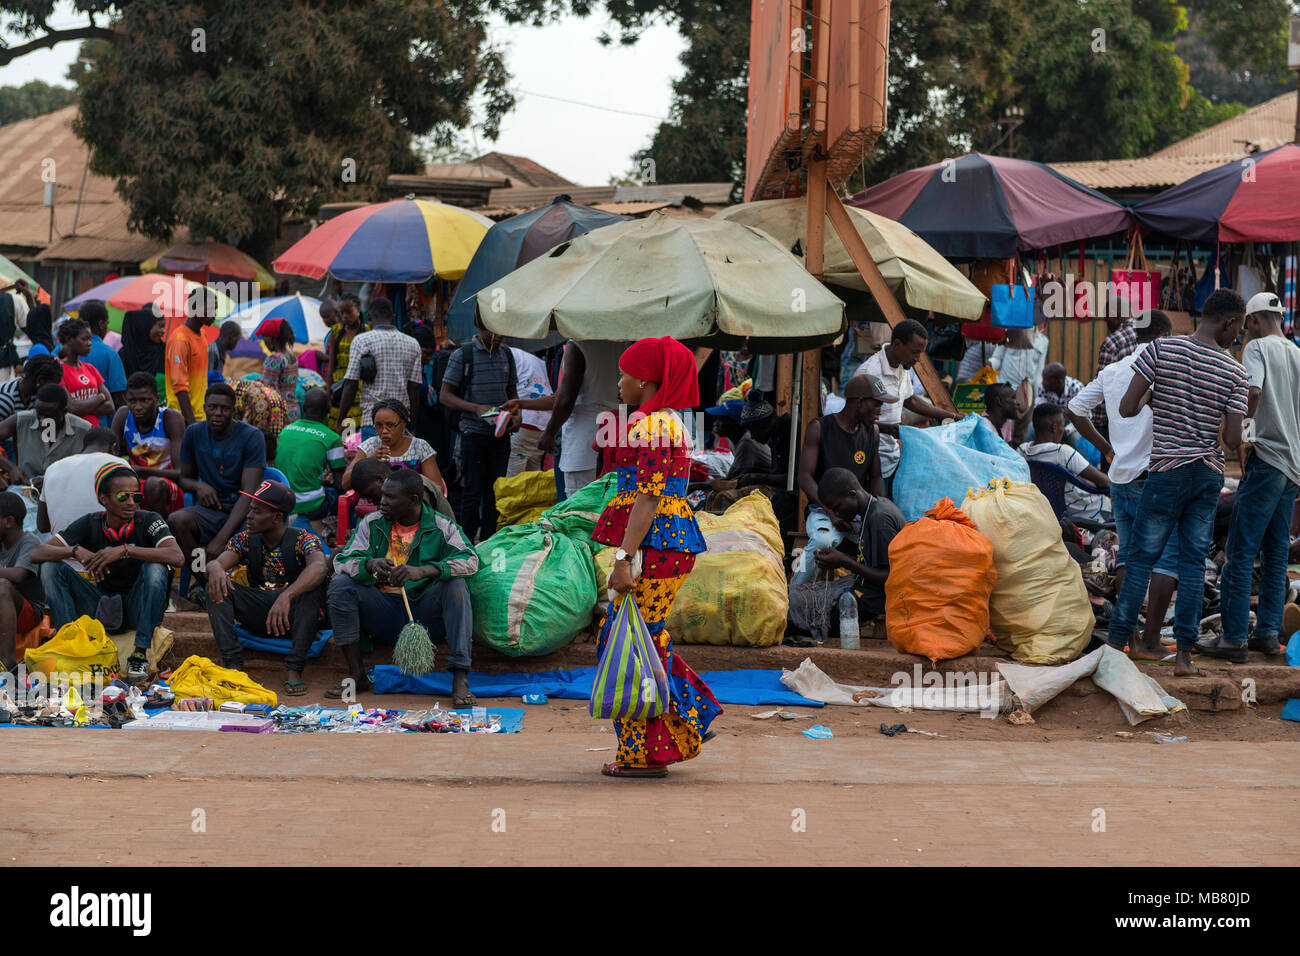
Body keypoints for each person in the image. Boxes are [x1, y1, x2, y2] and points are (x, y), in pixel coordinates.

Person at [590, 336, 719, 778]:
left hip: (655, 547)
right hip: (667, 544)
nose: (619, 382)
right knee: (642, 638)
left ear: (645, 381)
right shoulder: (663, 423)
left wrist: (625, 558)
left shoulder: (652, 427)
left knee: (628, 644)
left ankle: (645, 753)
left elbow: (647, 499)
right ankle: (685, 717)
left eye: (624, 374)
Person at [1108, 289, 1249, 675]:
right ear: (1229, 323)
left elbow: (1126, 407)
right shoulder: (1235, 371)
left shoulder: (1160, 351)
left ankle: (1116, 642)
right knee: (1191, 564)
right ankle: (1184, 657)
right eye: (1238, 328)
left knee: (1140, 559)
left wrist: (1161, 398)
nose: (1237, 337)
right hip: (1206, 474)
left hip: (1166, 471)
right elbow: (1234, 440)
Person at [1066, 310, 1178, 653]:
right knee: (1164, 560)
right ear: (1164, 336)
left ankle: (1126, 639)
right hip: (1153, 477)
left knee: (1129, 558)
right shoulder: (1165, 368)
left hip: (1121, 478)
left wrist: (1108, 448)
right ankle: (1150, 641)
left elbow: (1074, 409)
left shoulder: (1113, 371)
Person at [1201, 292, 1300, 661]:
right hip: (1291, 467)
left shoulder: (1257, 349)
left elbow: (1252, 391)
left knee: (1240, 553)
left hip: (1267, 461)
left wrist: (1243, 437)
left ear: (1255, 321)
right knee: (1276, 556)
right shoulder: (1297, 353)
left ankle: (1233, 639)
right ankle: (1268, 635)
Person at [329, 468, 479, 704]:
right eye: (383, 496)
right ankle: (356, 675)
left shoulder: (442, 526)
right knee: (340, 584)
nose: (382, 502)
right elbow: (341, 561)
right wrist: (369, 564)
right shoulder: (372, 523)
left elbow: (471, 560)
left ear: (413, 501)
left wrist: (423, 571)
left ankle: (460, 678)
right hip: (383, 613)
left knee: (457, 586)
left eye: (390, 497)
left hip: (425, 617)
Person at [31, 463, 183, 680]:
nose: (131, 503)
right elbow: (37, 553)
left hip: (138, 607)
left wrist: (125, 550)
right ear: (104, 499)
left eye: (136, 497)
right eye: (123, 497)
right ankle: (68, 641)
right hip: (101, 606)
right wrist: (75, 551)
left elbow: (177, 556)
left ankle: (139, 655)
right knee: (50, 566)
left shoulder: (149, 520)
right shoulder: (90, 522)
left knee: (156, 567)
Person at [204, 480, 329, 694]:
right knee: (216, 586)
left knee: (312, 590)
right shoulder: (244, 539)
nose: (248, 516)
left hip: (294, 617)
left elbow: (319, 567)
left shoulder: (304, 539)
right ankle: (233, 665)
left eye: (256, 512)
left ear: (277, 517)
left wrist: (287, 596)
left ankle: (294, 669)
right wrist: (214, 567)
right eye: (250, 510)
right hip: (260, 613)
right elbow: (218, 562)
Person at [168, 383, 267, 590]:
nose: (218, 413)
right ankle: (205, 583)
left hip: (244, 511)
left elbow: (249, 493)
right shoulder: (194, 432)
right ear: (204, 408)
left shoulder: (251, 436)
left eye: (225, 408)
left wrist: (221, 539)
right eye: (212, 407)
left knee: (255, 534)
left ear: (234, 410)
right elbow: (184, 478)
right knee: (178, 520)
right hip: (211, 510)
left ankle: (249, 590)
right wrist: (198, 486)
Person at [439, 323, 518, 542]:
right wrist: (474, 408)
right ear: (481, 327)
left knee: (496, 492)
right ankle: (465, 543)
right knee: (472, 492)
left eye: (501, 331)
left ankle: (490, 542)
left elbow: (512, 393)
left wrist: (516, 417)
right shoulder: (462, 355)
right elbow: (445, 396)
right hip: (473, 434)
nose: (498, 336)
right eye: (493, 330)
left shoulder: (507, 354)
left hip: (501, 435)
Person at [856, 320, 952, 492]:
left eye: (920, 353)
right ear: (898, 344)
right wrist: (887, 429)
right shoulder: (870, 373)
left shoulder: (902, 365)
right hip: (870, 460)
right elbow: (855, 421)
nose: (917, 359)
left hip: (892, 456)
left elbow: (910, 400)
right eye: (915, 352)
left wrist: (947, 415)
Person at [812, 466, 906, 622]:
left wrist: (844, 561)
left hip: (879, 601)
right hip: (869, 591)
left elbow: (891, 577)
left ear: (852, 495)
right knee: (805, 598)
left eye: (837, 508)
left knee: (810, 612)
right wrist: (839, 556)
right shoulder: (874, 508)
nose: (835, 515)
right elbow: (871, 557)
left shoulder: (879, 518)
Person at [536, 339, 628, 497]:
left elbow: (565, 400)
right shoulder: (625, 342)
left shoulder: (578, 344)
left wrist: (549, 433)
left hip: (584, 443)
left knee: (581, 512)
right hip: (619, 436)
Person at [798, 373, 892, 508]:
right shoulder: (819, 428)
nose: (880, 412)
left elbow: (876, 477)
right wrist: (829, 511)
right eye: (877, 405)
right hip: (822, 510)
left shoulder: (872, 432)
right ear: (859, 402)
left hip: (857, 510)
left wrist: (879, 508)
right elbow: (804, 477)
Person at [337, 297, 420, 439]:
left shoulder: (361, 341)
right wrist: (413, 426)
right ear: (393, 318)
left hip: (372, 420)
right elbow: (414, 389)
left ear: (368, 317)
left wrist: (341, 420)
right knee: (398, 461)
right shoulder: (413, 344)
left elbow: (351, 384)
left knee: (372, 461)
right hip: (400, 422)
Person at [112, 371, 188, 517]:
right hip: (133, 484)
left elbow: (181, 473)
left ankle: (160, 535)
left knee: (153, 484)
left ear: (157, 399)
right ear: (125, 400)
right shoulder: (123, 415)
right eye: (132, 401)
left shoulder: (170, 418)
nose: (138, 407)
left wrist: (142, 471)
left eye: (144, 400)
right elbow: (109, 459)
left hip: (166, 485)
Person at [1018, 404, 1110, 523]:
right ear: (1054, 428)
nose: (1064, 430)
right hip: (1082, 511)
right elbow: (1104, 482)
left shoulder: (1022, 450)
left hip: (1043, 509)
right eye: (1063, 425)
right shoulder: (1061, 452)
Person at [343, 398, 445, 495]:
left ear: (403, 424)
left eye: (390, 425)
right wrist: (370, 461)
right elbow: (345, 483)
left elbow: (437, 488)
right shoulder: (370, 446)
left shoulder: (419, 447)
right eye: (379, 426)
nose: (384, 431)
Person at [37, 426, 125, 534]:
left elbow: (42, 526)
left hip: (63, 547)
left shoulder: (52, 468)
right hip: (108, 546)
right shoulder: (119, 464)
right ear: (114, 448)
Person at [275, 387, 345, 518]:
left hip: (283, 500)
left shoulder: (285, 430)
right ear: (328, 410)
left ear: (305, 407)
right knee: (345, 496)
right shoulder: (333, 438)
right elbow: (339, 482)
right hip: (309, 504)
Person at [0, 384, 92, 483]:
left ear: (64, 412)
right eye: (39, 414)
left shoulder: (83, 430)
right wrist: (10, 467)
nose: (42, 420)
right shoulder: (22, 420)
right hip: (26, 491)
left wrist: (50, 482)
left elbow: (92, 467)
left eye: (49, 416)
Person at [0, 491, 44, 670]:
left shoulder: (29, 541)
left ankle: (7, 661)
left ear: (9, 521)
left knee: (2, 586)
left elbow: (19, 575)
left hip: (28, 611)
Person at [166, 288, 219, 425]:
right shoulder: (180, 340)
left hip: (200, 415)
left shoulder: (202, 334)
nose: (214, 314)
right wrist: (191, 423)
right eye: (211, 309)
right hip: (182, 418)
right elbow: (179, 387)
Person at [55, 318, 114, 427]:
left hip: (94, 434)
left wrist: (81, 408)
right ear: (69, 340)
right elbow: (70, 407)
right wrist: (99, 398)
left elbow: (110, 406)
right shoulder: (59, 371)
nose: (89, 344)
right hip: (73, 434)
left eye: (89, 339)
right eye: (84, 339)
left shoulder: (90, 369)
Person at [505, 346, 552, 477]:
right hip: (543, 423)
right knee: (533, 477)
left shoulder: (505, 354)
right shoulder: (537, 360)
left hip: (523, 421)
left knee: (513, 480)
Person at [1091, 314, 1139, 436]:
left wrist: (1098, 421)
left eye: (1106, 320)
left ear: (1113, 317)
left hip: (1116, 417)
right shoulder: (1144, 333)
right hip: (1141, 415)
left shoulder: (1112, 342)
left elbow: (1103, 385)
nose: (1107, 325)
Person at [324, 294, 365, 432]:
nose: (345, 316)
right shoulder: (336, 332)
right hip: (338, 389)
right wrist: (328, 392)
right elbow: (331, 366)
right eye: (342, 313)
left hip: (359, 390)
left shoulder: (367, 332)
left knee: (354, 433)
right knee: (338, 432)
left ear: (358, 310)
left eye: (349, 312)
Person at [228, 377, 289, 462]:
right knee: (272, 442)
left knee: (250, 442)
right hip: (275, 398)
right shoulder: (232, 385)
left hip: (258, 400)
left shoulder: (222, 391)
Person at [80, 301, 127, 407]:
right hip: (102, 421)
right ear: (101, 324)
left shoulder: (60, 351)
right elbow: (119, 397)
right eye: (107, 323)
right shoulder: (110, 354)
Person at [257, 317, 300, 421]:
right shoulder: (291, 355)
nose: (264, 341)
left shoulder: (275, 359)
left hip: (280, 413)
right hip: (294, 411)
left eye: (264, 337)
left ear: (272, 338)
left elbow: (266, 388)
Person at [0, 354, 63, 421]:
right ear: (40, 381)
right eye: (51, 386)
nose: (52, 390)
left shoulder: (33, 392)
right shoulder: (5, 400)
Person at [119, 306, 166, 383]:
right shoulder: (124, 355)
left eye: (163, 327)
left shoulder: (165, 351)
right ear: (145, 326)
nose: (163, 331)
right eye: (160, 326)